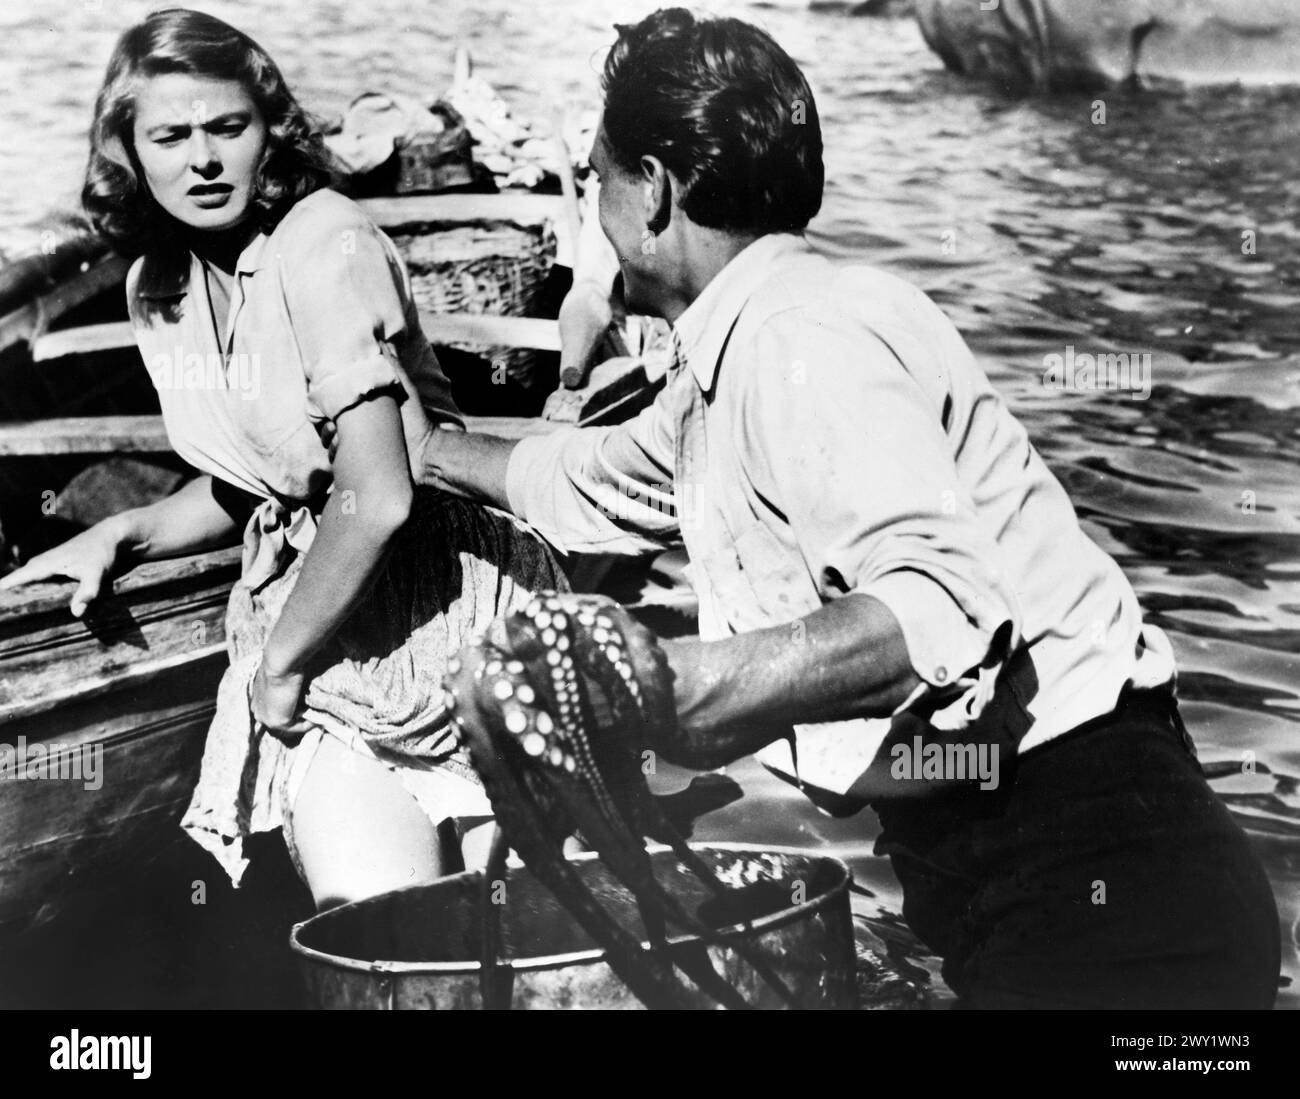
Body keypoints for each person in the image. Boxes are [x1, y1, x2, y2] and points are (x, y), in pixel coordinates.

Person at [420, 8, 1281, 1007]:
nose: (592, 205)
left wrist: (678, 688)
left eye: (594, 178)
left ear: (650, 189)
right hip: (1037, 884)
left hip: (1108, 895)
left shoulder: (803, 337)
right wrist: (432, 448)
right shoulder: (736, 355)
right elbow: (596, 480)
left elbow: (937, 605)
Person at [0, 9, 566, 910]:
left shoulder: (323, 239)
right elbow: (256, 479)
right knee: (378, 929)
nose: (205, 161)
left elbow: (377, 493)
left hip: (455, 605)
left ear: (271, 131)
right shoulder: (161, 286)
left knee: (534, 931)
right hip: (334, 611)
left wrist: (279, 665)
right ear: (129, 152)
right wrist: (127, 531)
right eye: (171, 136)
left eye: (229, 128)